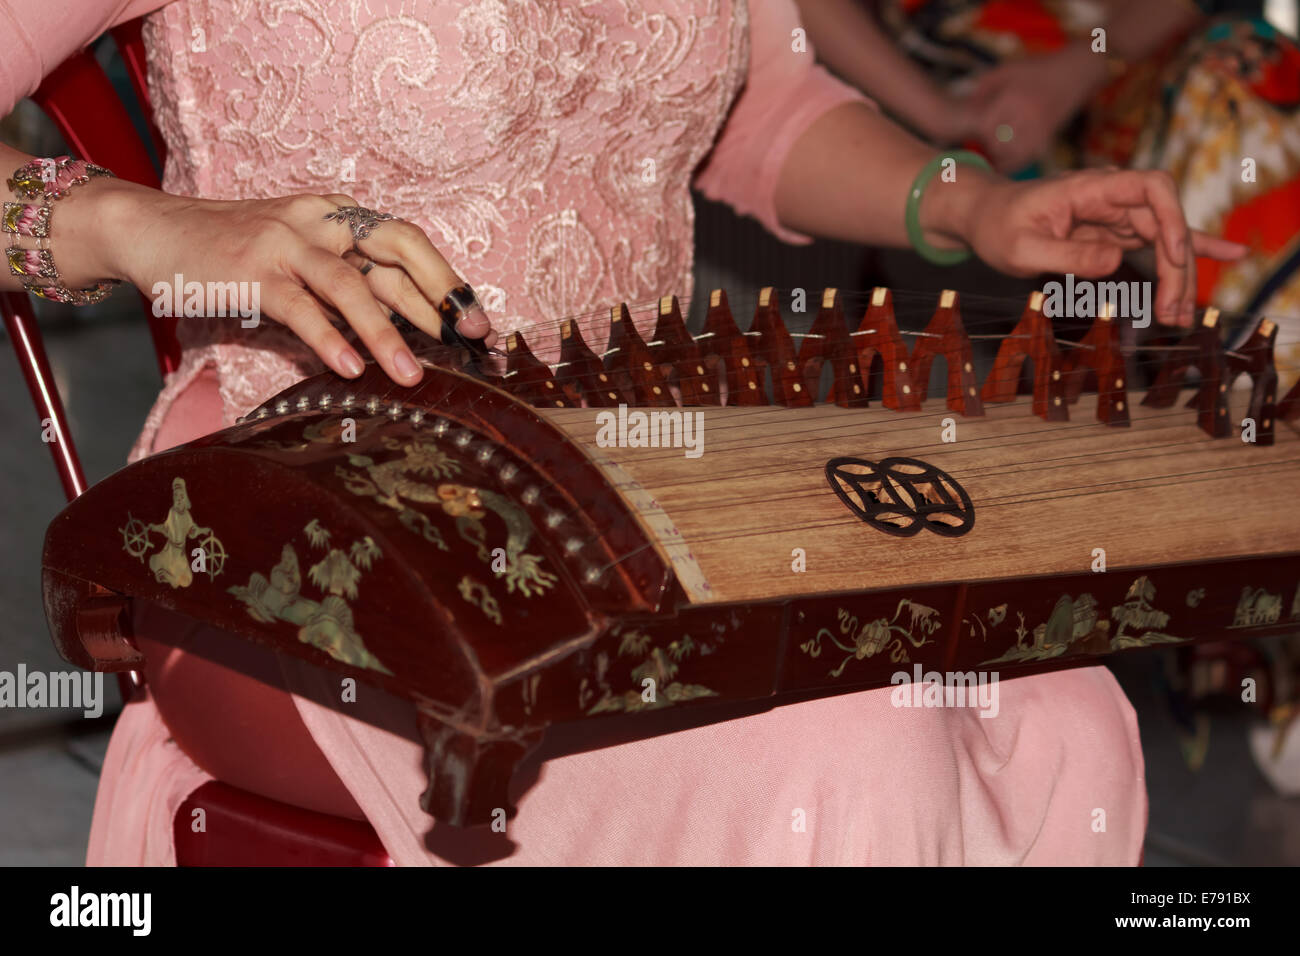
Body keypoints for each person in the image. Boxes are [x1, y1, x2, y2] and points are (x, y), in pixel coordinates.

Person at [0, 0, 1246, 865]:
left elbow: (761, 109)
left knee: (1063, 713)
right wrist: (149, 230)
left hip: (648, 487)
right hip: (302, 516)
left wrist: (974, 207)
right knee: (856, 750)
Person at [794, 0, 1300, 350]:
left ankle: (1242, 367)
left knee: (1237, 74)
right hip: (991, 107)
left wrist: (1084, 64)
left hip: (1146, 55)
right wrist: (940, 114)